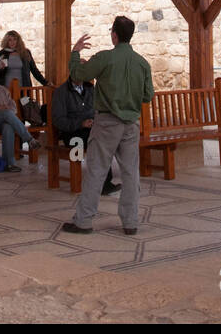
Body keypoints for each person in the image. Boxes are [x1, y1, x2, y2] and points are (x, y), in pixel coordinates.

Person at [62, 16, 154, 237]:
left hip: (106, 123)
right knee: (131, 173)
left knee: (96, 170)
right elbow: (147, 95)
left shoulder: (105, 58)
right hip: (131, 125)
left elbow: (78, 75)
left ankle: (83, 221)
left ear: (114, 34)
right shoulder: (142, 63)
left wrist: (75, 53)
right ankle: (130, 222)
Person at [52, 73, 118, 196]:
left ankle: (104, 183)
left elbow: (98, 110)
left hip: (91, 129)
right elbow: (58, 120)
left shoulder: (90, 89)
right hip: (71, 133)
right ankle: (97, 183)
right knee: (90, 143)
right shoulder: (61, 92)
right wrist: (80, 124)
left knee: (103, 141)